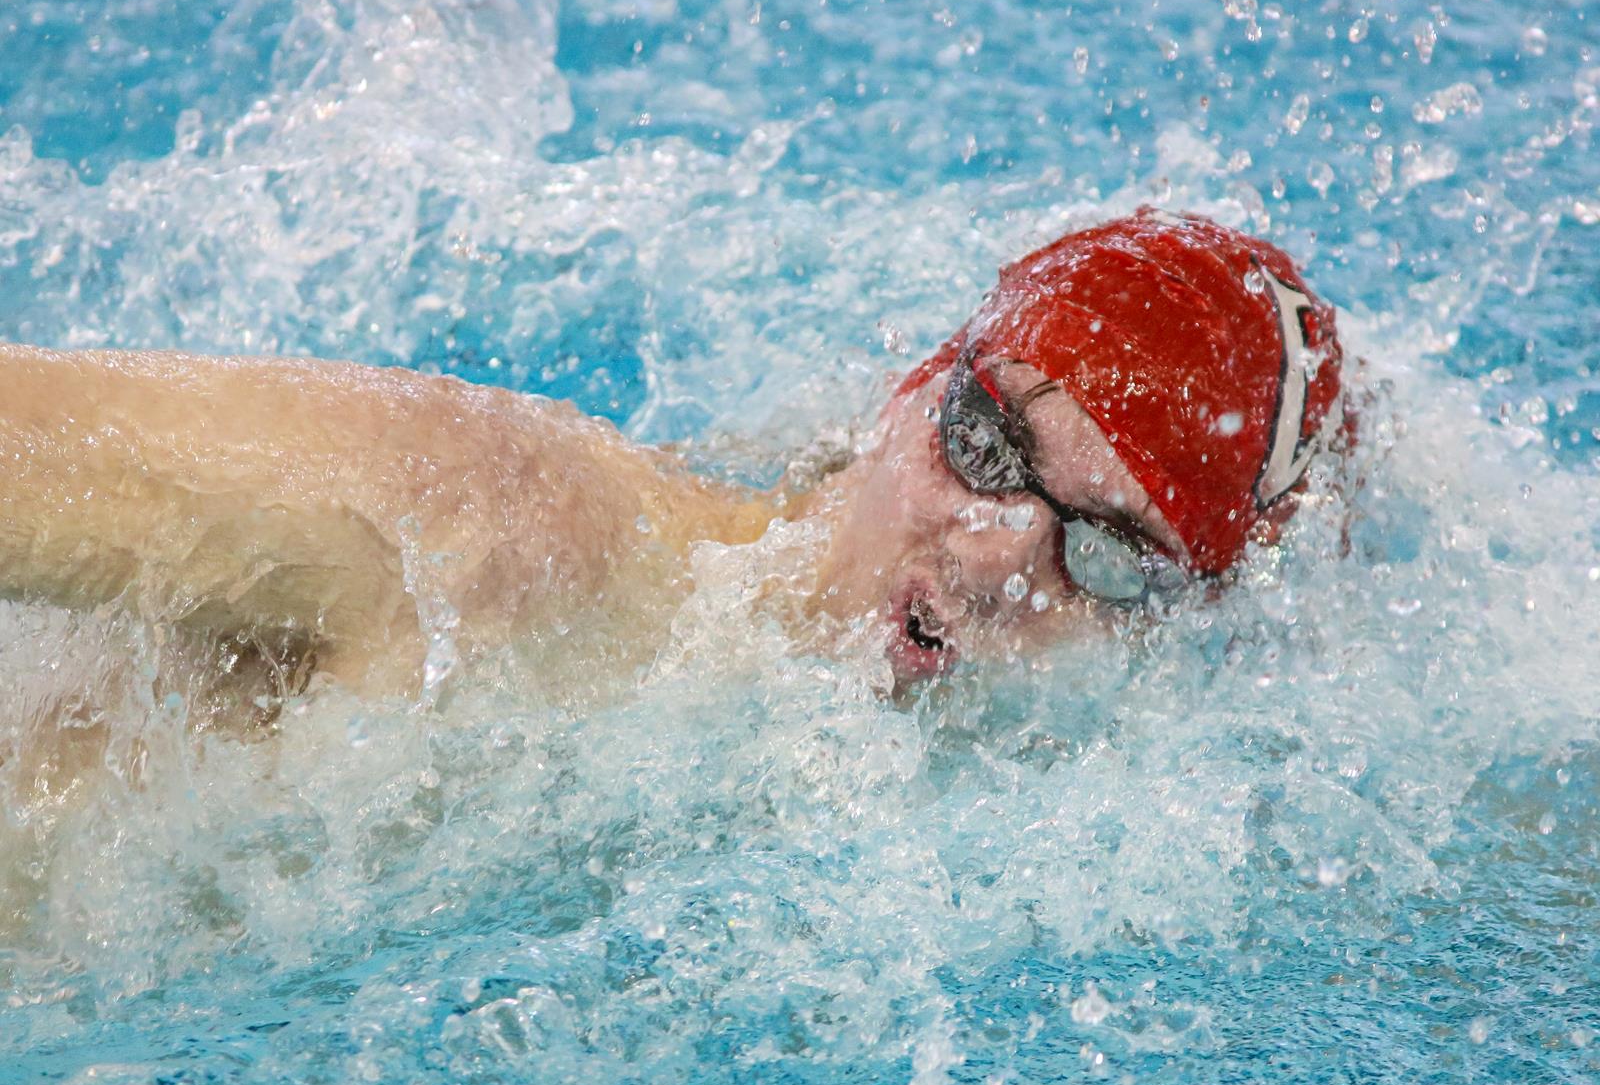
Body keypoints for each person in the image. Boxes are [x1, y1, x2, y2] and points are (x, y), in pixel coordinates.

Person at [0, 208, 1344, 713]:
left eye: (1107, 556)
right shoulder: (509, 530)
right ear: (909, 392)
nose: (998, 553)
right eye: (987, 446)